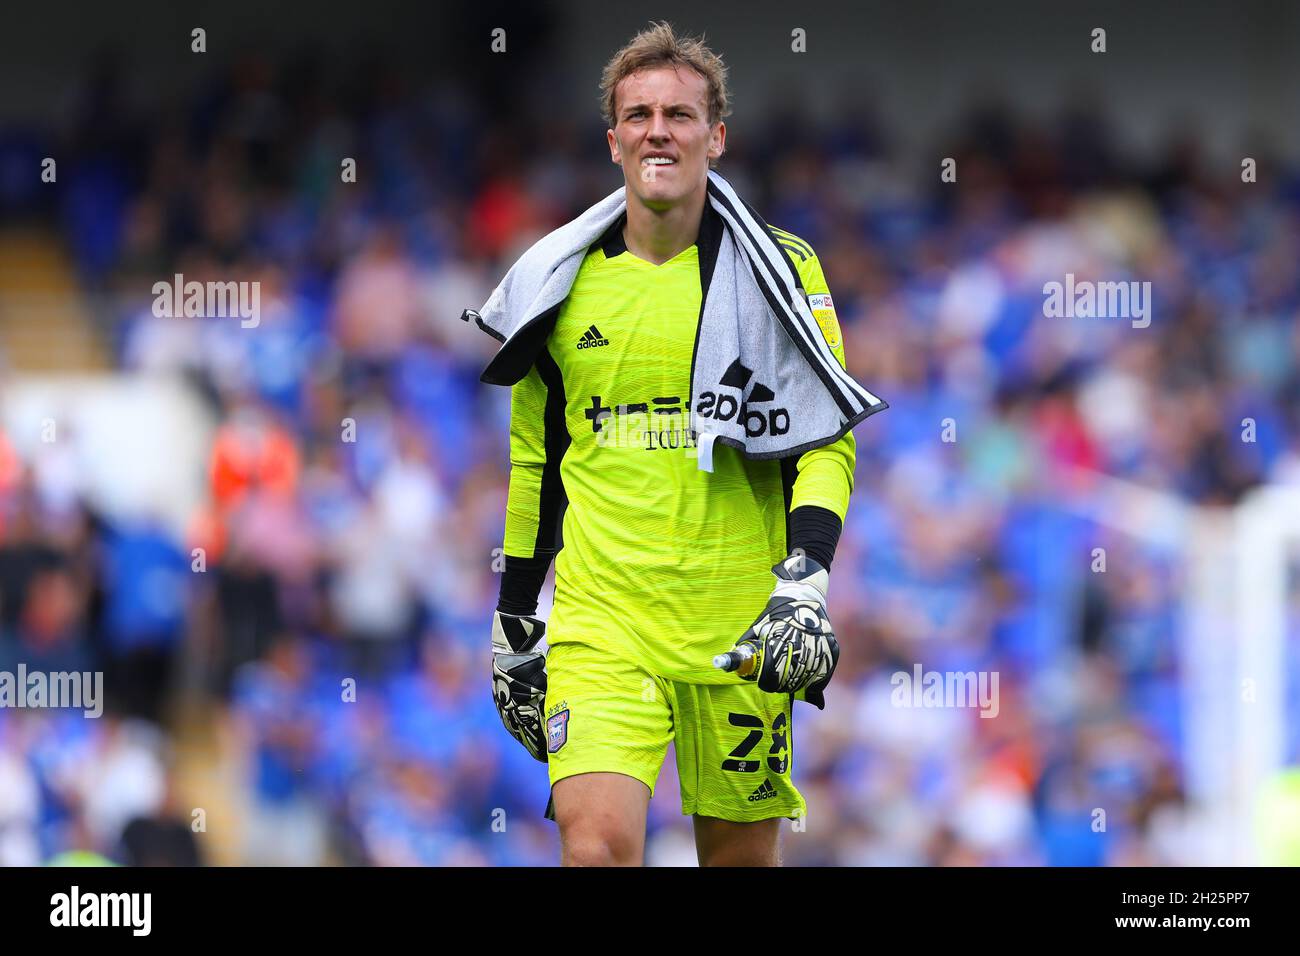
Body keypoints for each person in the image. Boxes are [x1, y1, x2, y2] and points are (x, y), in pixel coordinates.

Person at [478, 22, 880, 866]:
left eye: (679, 114)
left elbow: (825, 441)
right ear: (614, 137)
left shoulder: (781, 269)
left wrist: (805, 581)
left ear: (716, 135)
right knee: (596, 849)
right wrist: (517, 616)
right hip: (601, 623)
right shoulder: (557, 283)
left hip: (740, 626)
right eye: (639, 114)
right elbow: (535, 466)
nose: (658, 129)